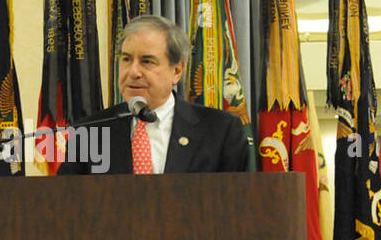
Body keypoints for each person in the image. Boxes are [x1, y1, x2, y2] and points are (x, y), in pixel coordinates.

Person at [58, 14, 250, 175]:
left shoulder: (220, 130)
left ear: (176, 71)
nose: (133, 72)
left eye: (147, 61)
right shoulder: (91, 131)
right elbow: (68, 205)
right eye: (126, 59)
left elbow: (236, 207)